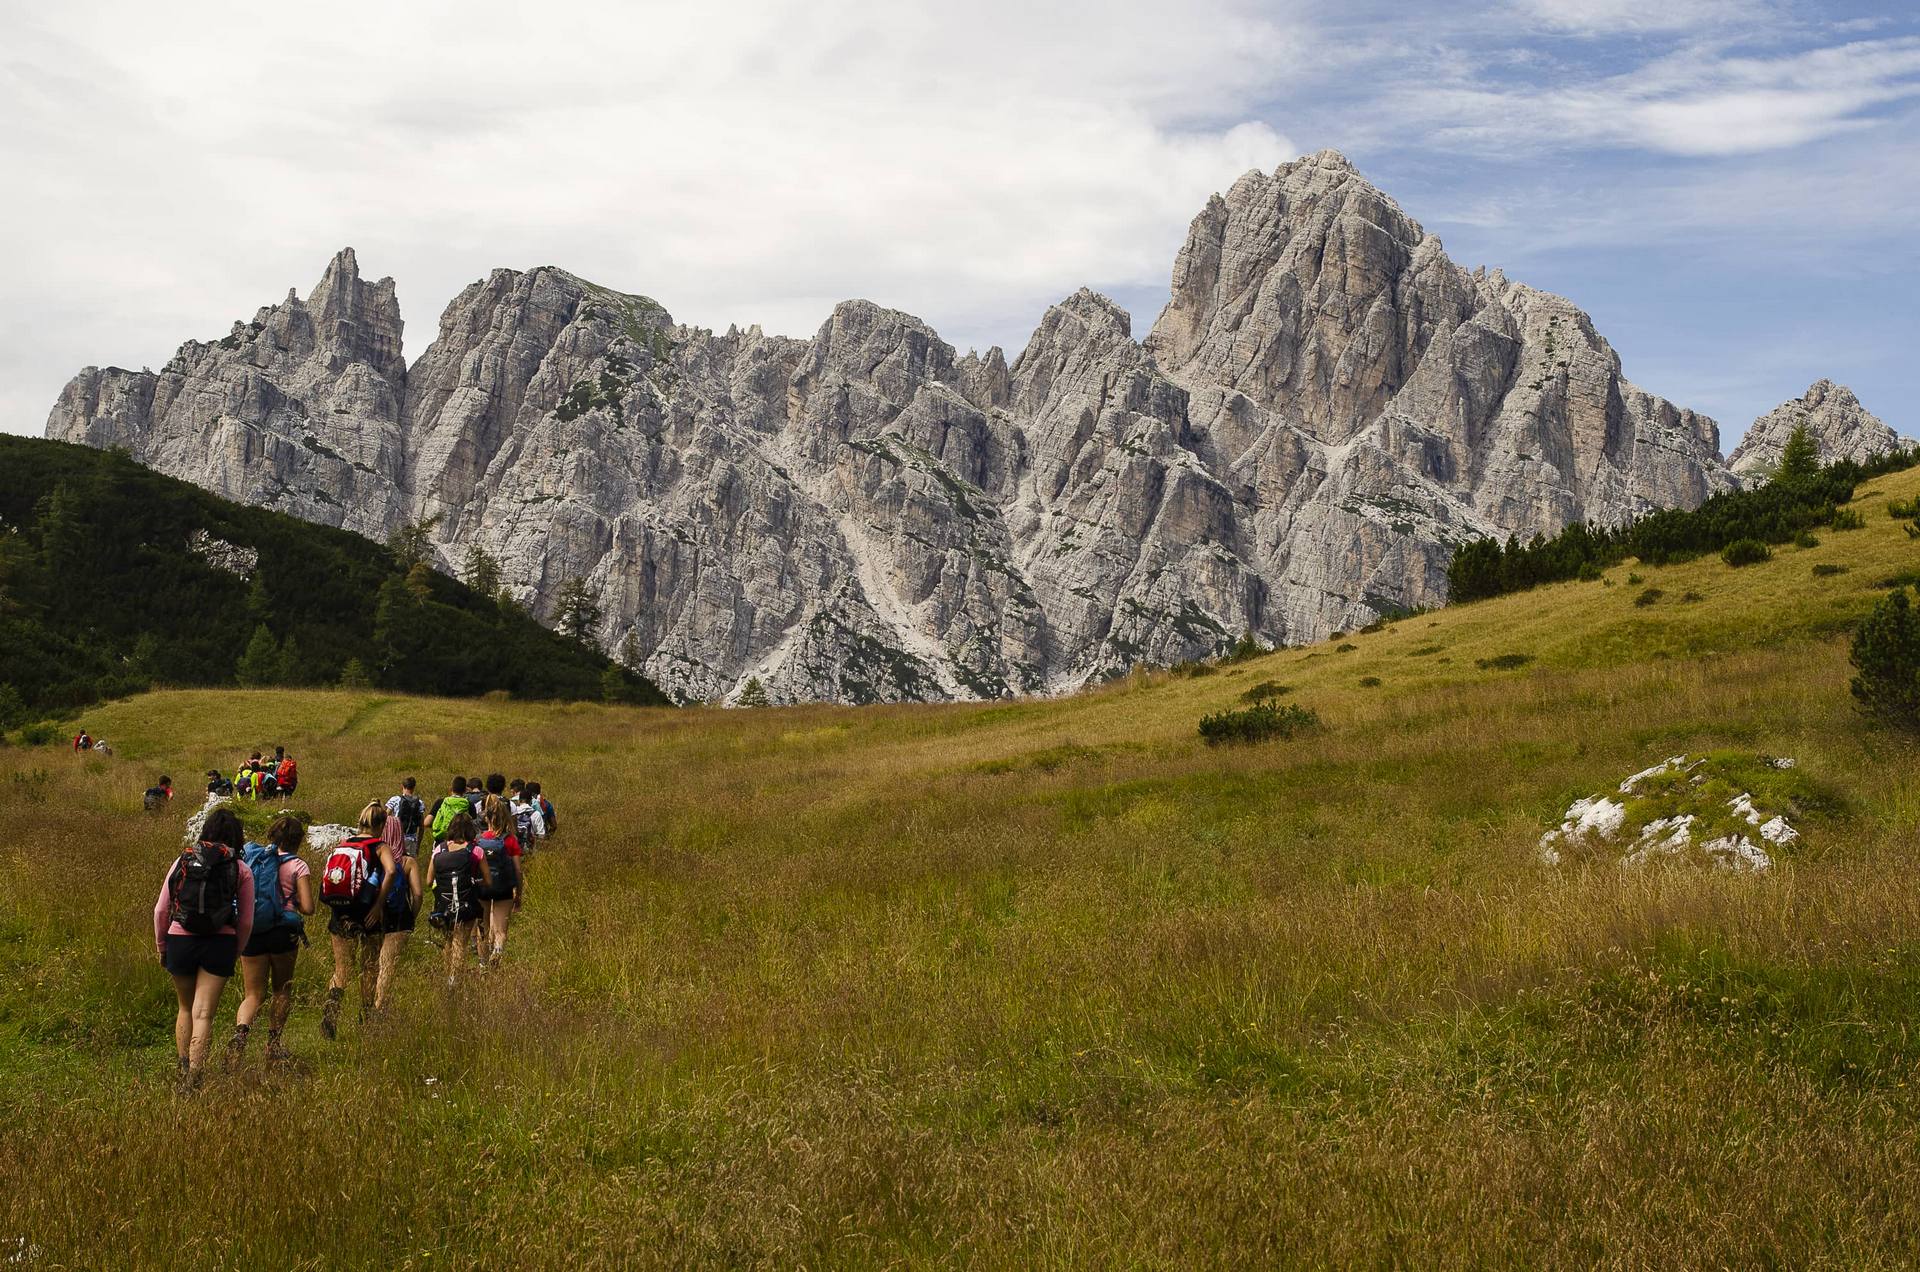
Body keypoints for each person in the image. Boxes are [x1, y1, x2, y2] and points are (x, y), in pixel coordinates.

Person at [154, 806, 254, 1090]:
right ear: (236, 836)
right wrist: (235, 951)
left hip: (180, 939)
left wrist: (163, 945)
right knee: (203, 1013)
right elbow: (246, 920)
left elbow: (161, 909)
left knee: (184, 1008)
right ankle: (196, 1075)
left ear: (206, 831)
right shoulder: (240, 868)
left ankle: (184, 1066)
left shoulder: (183, 859)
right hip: (220, 942)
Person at [228, 812, 313, 1064]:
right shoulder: (299, 866)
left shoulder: (255, 859)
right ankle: (273, 1046)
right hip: (282, 934)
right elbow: (308, 907)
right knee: (281, 990)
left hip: (252, 931)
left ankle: (241, 1032)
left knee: (253, 994)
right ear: (299, 840)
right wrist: (292, 900)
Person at [320, 804, 409, 1038]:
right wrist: (379, 904)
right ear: (381, 825)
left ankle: (331, 1010)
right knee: (369, 967)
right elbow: (390, 871)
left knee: (342, 968)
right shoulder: (379, 846)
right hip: (368, 914)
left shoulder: (343, 844)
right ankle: (367, 1015)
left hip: (340, 912)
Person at [430, 813, 492, 986]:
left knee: (448, 941)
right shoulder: (476, 850)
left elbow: (429, 880)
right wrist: (474, 881)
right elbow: (488, 880)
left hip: (443, 904)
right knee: (460, 942)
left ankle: (446, 973)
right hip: (467, 904)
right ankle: (453, 980)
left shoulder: (440, 849)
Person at [476, 802, 524, 966]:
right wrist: (518, 893)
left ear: (487, 819)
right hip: (503, 888)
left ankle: (483, 964)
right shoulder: (510, 840)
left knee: (483, 929)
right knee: (501, 931)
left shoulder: (479, 840)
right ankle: (496, 957)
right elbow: (518, 870)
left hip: (482, 888)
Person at [386, 777, 426, 859]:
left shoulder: (395, 800)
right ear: (414, 787)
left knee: (396, 864)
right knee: (410, 867)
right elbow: (422, 826)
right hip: (412, 840)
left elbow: (385, 819)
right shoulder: (419, 803)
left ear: (402, 786)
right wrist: (418, 845)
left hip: (397, 839)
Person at [428, 776, 472, 845]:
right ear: (465, 790)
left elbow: (427, 822)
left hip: (442, 842)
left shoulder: (441, 802)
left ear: (451, 789)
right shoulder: (469, 804)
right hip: (462, 843)